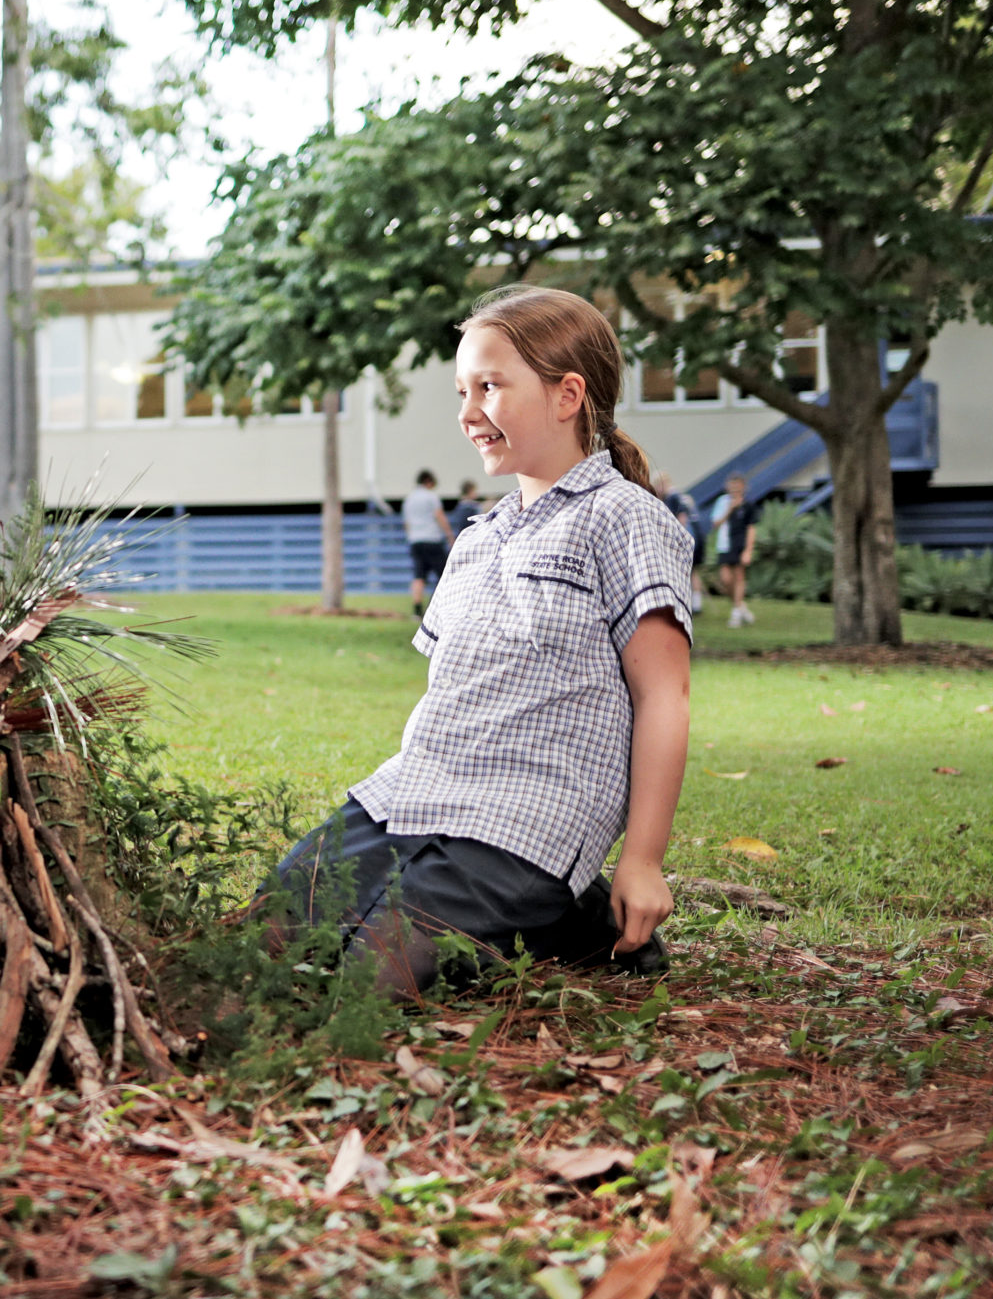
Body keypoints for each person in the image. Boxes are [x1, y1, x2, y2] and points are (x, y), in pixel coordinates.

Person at [264, 285, 694, 998]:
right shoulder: (476, 539)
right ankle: (567, 911)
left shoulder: (623, 517)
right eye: (462, 390)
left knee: (363, 986)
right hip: (409, 799)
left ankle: (559, 910)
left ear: (567, 396)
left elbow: (664, 695)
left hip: (523, 822)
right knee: (266, 939)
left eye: (489, 387)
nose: (468, 413)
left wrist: (643, 860)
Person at [402, 468, 455, 615]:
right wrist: (450, 536)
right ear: (428, 481)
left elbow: (407, 523)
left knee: (419, 576)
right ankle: (436, 606)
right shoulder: (431, 497)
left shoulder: (409, 499)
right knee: (444, 574)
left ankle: (417, 609)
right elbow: (440, 516)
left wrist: (411, 537)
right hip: (432, 540)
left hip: (415, 540)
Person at [653, 470, 706, 613]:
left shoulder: (672, 497)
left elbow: (682, 519)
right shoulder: (683, 496)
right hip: (697, 538)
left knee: (681, 571)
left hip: (687, 539)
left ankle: (686, 602)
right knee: (692, 571)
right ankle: (696, 603)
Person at [713, 472, 758, 628]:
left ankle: (736, 613)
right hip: (725, 544)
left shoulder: (748, 506)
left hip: (740, 544)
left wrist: (748, 550)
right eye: (732, 486)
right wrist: (729, 509)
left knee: (739, 577)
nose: (735, 489)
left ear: (743, 487)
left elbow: (751, 529)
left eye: (738, 485)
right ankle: (740, 606)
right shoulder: (722, 502)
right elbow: (716, 524)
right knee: (725, 579)